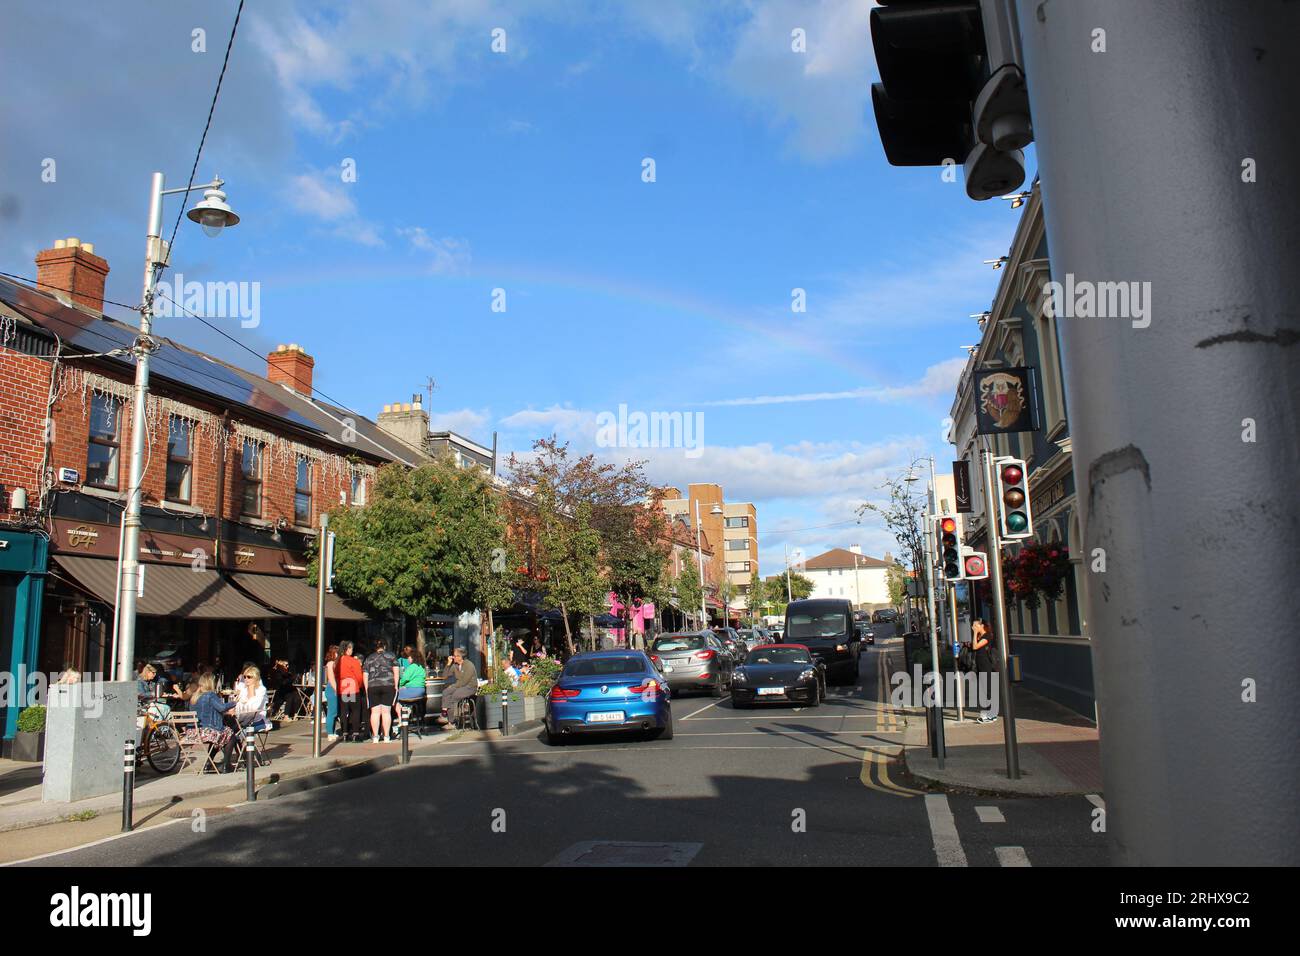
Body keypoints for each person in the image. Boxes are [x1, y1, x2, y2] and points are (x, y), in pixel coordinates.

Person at [192, 673, 238, 772]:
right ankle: (226, 765)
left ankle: (208, 764)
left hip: (198, 731)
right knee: (231, 736)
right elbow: (221, 708)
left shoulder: (196, 697)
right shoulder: (210, 695)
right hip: (210, 730)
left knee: (218, 740)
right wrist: (234, 702)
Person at [362, 639, 400, 743]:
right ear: (385, 646)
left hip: (372, 686)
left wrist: (366, 689)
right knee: (386, 712)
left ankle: (375, 737)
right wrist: (396, 685)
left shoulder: (369, 658)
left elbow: (365, 675)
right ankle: (387, 736)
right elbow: (396, 672)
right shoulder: (391, 656)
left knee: (375, 712)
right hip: (388, 685)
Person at [439, 646, 479, 727]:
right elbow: (445, 676)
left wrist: (453, 686)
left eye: (456, 656)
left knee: (454, 695)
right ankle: (444, 714)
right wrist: (448, 664)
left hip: (470, 687)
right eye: (454, 655)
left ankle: (452, 722)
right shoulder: (455, 665)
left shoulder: (469, 665)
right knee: (446, 692)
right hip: (460, 686)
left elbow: (464, 682)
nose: (454, 657)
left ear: (461, 657)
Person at [394, 644, 427, 736]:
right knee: (402, 697)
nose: (408, 659)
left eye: (409, 658)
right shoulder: (421, 667)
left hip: (412, 691)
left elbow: (404, 678)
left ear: (413, 658)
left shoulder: (411, 667)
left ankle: (401, 719)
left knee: (394, 697)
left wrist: (400, 686)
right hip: (420, 692)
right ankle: (407, 708)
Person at [971, 618, 997, 723]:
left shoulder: (987, 636)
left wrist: (975, 634)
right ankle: (987, 714)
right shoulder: (980, 636)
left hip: (986, 666)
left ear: (982, 626)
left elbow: (975, 646)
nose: (973, 628)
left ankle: (992, 715)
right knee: (984, 690)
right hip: (980, 666)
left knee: (988, 690)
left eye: (975, 625)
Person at [322, 644, 341, 742]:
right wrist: (337, 690)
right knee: (332, 712)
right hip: (332, 689)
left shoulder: (335, 663)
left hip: (335, 688)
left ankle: (332, 732)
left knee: (335, 712)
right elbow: (331, 679)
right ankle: (330, 733)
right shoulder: (330, 663)